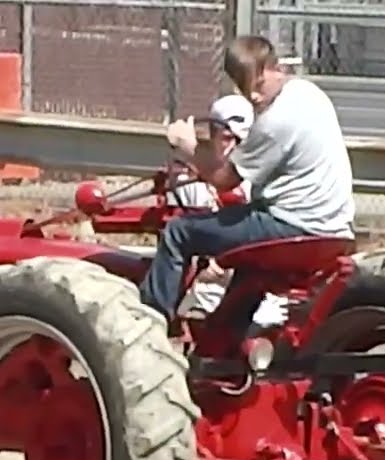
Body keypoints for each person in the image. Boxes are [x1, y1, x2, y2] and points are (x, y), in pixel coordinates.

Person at [139, 34, 355, 332]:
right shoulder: (309, 93)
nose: (252, 96)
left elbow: (223, 180)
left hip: (293, 227)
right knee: (247, 254)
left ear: (274, 67)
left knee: (178, 232)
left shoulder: (274, 122)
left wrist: (187, 146)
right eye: (243, 88)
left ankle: (147, 326)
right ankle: (222, 346)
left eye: (257, 84)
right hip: (336, 230)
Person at [171, 93, 288, 331]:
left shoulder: (260, 182)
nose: (232, 147)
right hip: (207, 303)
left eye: (240, 141)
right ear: (212, 135)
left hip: (264, 306)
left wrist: (223, 264)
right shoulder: (191, 182)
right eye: (225, 138)